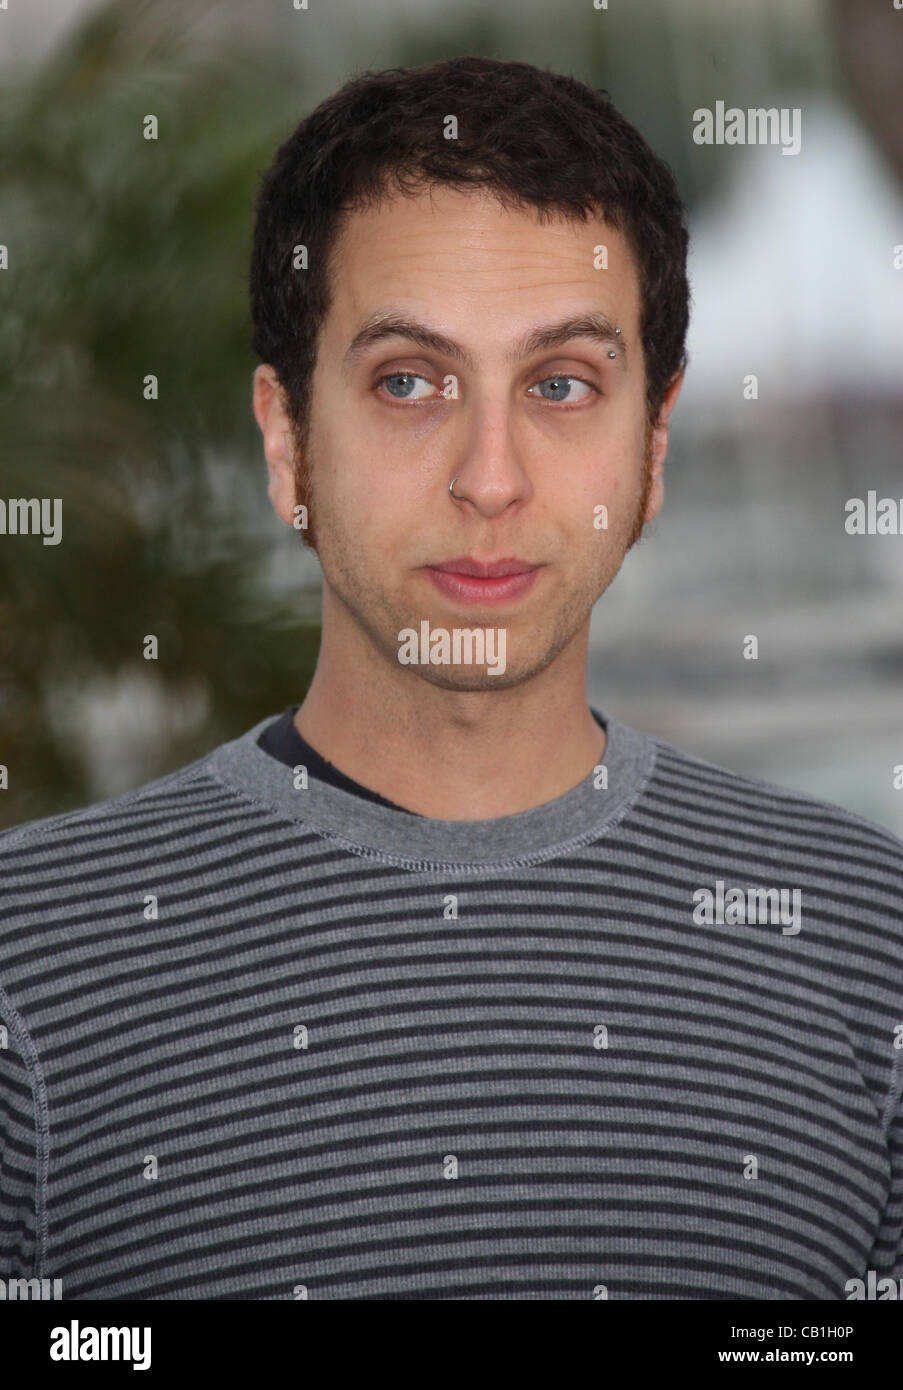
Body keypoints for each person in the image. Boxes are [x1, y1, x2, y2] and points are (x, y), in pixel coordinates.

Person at [1, 55, 900, 1301]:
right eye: (410, 382)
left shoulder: (867, 940)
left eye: (562, 385)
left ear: (653, 447)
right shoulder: (30, 963)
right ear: (286, 439)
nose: (490, 475)